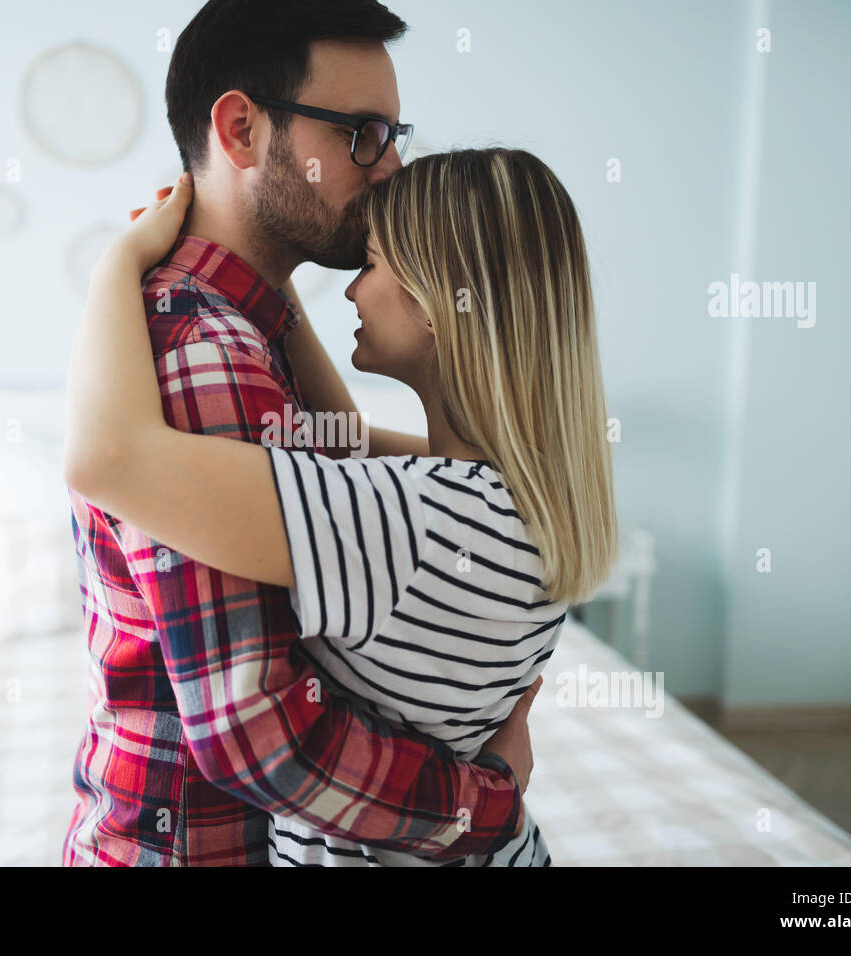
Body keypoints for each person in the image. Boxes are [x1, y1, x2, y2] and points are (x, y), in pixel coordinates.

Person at [60, 0, 546, 866]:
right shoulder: (205, 359)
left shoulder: (251, 337)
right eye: (361, 132)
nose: (391, 166)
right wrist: (488, 805)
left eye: (392, 131)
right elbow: (260, 736)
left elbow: (357, 453)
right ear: (241, 129)